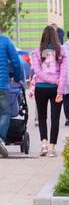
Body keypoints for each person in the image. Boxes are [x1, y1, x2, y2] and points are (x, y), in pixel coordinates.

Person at [29, 25, 67, 156]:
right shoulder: (61, 51)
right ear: (56, 36)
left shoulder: (37, 51)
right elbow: (64, 72)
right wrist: (59, 88)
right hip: (56, 89)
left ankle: (44, 145)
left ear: (43, 36)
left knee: (42, 117)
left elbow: (37, 72)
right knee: (55, 118)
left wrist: (50, 81)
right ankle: (52, 149)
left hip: (41, 88)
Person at [0, 29, 24, 158]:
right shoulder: (5, 40)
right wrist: (17, 77)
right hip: (2, 85)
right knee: (5, 112)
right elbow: (16, 61)